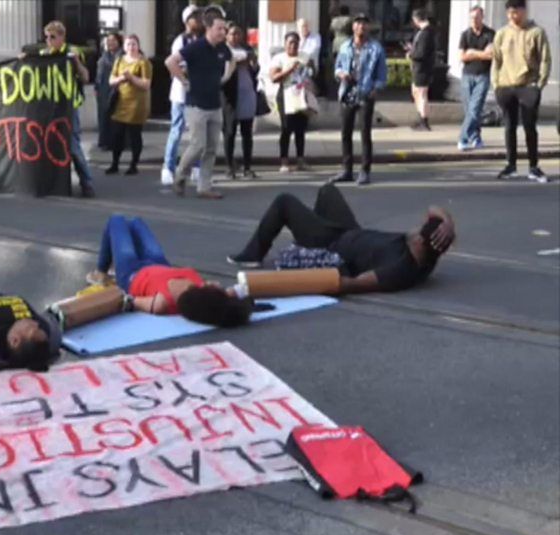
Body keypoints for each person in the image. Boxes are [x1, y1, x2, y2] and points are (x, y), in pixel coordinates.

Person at [227, 184, 456, 293]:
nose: (415, 228)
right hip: (350, 231)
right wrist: (448, 223)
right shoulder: (431, 250)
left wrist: (306, 278)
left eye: (418, 230)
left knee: (284, 202)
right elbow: (433, 208)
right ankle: (309, 228)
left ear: (418, 242)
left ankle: (253, 254)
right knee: (328, 191)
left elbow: (354, 283)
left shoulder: (399, 270)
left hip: (331, 245)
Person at [87, 215, 253, 327]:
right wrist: (238, 296)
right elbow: (237, 293)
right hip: (159, 264)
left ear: (205, 295)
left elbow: (130, 301)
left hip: (132, 274)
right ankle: (108, 265)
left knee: (117, 220)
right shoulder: (202, 290)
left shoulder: (163, 303)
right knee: (136, 223)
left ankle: (101, 272)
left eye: (214, 287)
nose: (215, 283)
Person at [165, 8, 235, 199]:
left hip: (215, 105)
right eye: (219, 28)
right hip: (196, 105)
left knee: (211, 148)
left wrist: (226, 76)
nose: (223, 32)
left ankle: (204, 187)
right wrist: (184, 81)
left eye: (224, 29)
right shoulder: (196, 47)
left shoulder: (222, 48)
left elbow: (232, 60)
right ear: (209, 28)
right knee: (198, 145)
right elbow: (170, 62)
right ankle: (180, 175)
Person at [492, 0, 551, 183]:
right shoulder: (502, 33)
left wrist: (539, 84)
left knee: (529, 126)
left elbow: (545, 59)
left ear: (523, 11)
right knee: (509, 126)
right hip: (506, 85)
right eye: (509, 13)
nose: (512, 16)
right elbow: (496, 60)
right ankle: (511, 165)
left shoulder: (536, 32)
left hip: (528, 86)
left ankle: (534, 166)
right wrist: (496, 84)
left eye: (515, 12)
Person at [40, 21, 95, 198]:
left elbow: (85, 77)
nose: (49, 41)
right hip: (51, 107)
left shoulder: (72, 53)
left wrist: (76, 62)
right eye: (47, 37)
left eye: (52, 37)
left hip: (69, 107)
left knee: (72, 146)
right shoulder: (44, 55)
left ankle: (87, 182)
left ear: (62, 37)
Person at [330, 14, 387, 186]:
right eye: (358, 23)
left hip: (365, 93)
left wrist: (375, 89)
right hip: (348, 93)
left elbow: (382, 75)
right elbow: (337, 67)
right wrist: (341, 74)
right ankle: (347, 170)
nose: (361, 26)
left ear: (368, 27)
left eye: (364, 24)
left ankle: (364, 171)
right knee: (345, 133)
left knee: (365, 133)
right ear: (353, 27)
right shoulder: (345, 46)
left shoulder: (376, 48)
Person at [161, 5, 204, 186]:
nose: (199, 20)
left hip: (198, 92)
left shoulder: (203, 40)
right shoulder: (180, 41)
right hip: (181, 92)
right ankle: (168, 168)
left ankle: (197, 167)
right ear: (187, 21)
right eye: (195, 17)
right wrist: (187, 79)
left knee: (198, 131)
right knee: (177, 129)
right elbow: (175, 66)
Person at [106, 34, 151, 176]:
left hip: (136, 104)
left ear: (138, 46)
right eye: (128, 44)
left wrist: (131, 78)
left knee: (134, 135)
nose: (131, 47)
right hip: (120, 102)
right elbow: (111, 80)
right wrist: (121, 78)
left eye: (134, 44)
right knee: (117, 135)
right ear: (124, 47)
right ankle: (114, 163)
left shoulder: (143, 62)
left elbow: (146, 84)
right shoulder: (120, 60)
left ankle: (133, 165)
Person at [271, 31, 315, 173]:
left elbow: (312, 73)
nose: (293, 46)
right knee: (286, 128)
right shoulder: (279, 58)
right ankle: (284, 161)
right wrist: (290, 69)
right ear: (285, 44)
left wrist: (311, 67)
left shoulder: (304, 56)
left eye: (296, 43)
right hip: (286, 95)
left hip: (301, 95)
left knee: (300, 129)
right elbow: (274, 78)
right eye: (290, 43)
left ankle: (300, 160)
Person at [223, 25, 259, 180]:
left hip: (247, 94)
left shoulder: (247, 49)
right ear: (226, 36)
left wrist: (253, 63)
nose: (235, 37)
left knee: (247, 133)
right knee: (229, 132)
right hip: (229, 97)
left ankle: (247, 167)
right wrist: (239, 61)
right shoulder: (223, 50)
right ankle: (229, 167)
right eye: (232, 34)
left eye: (238, 33)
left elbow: (255, 67)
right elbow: (228, 63)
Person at [457, 6, 495, 151]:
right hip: (467, 75)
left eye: (477, 17)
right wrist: (480, 53)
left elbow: (490, 55)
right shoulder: (465, 35)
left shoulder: (490, 34)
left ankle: (463, 138)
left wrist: (472, 52)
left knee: (475, 108)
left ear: (482, 17)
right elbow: (462, 56)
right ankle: (475, 137)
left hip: (482, 76)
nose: (474, 20)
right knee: (470, 110)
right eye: (472, 17)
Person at [405, 9, 436, 131]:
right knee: (417, 92)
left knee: (421, 93)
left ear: (416, 19)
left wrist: (411, 54)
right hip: (420, 68)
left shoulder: (426, 33)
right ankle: (421, 118)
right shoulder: (425, 32)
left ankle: (424, 121)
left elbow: (421, 53)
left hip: (422, 68)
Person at [96, 32, 123, 151]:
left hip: (117, 87)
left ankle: (116, 142)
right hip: (103, 88)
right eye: (108, 41)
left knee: (115, 116)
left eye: (113, 40)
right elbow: (99, 73)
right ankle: (104, 141)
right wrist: (96, 87)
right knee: (103, 115)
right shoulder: (104, 55)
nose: (110, 43)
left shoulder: (122, 55)